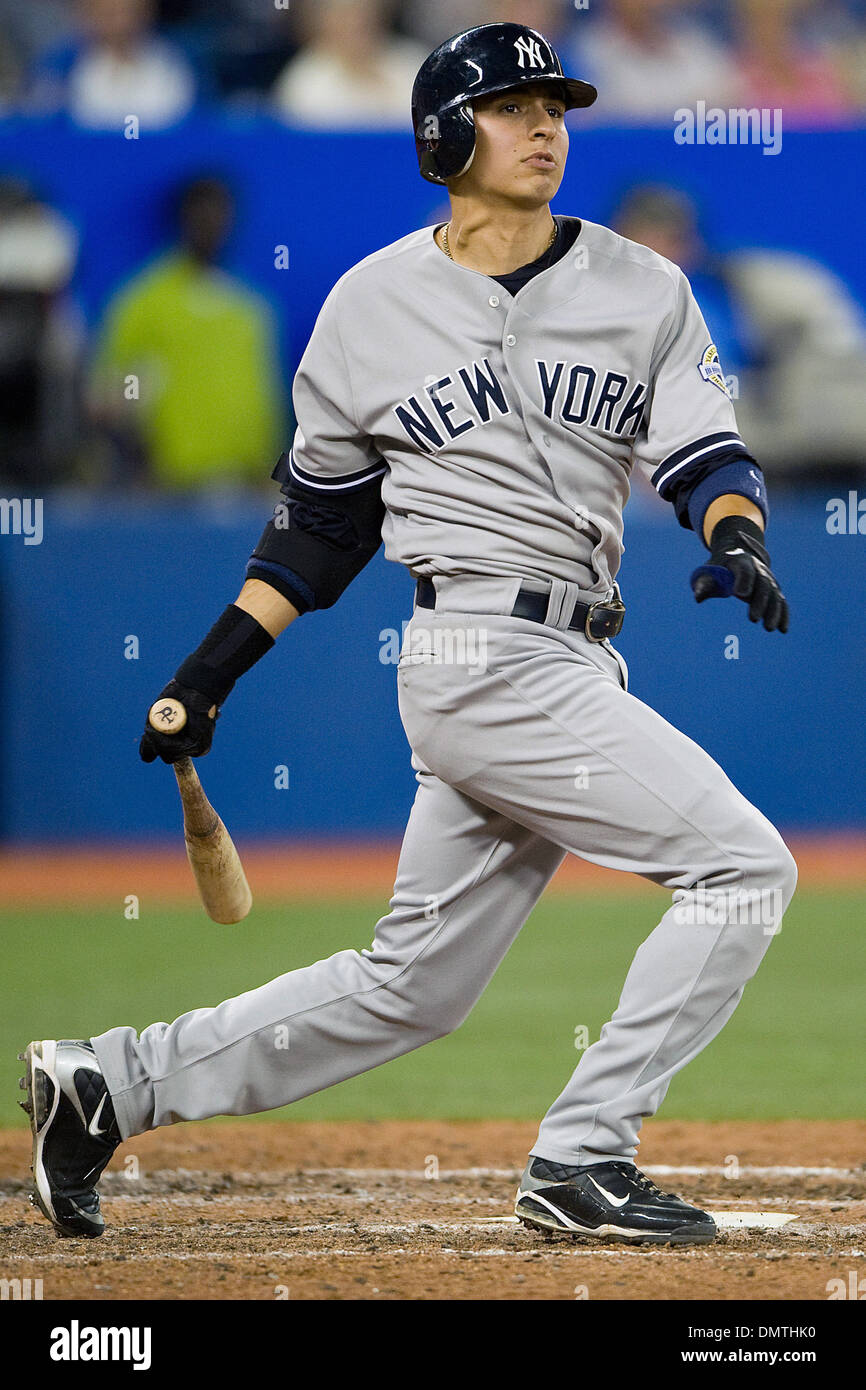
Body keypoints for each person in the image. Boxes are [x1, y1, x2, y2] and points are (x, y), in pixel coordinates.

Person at [20, 21, 797, 1247]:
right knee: (745, 869)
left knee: (411, 988)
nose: (545, 124)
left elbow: (706, 455)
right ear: (442, 134)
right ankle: (584, 1156)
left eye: (556, 103)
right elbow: (316, 534)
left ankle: (108, 1082)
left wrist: (736, 535)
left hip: (571, 651)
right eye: (513, 105)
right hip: (479, 655)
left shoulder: (641, 285)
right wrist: (207, 673)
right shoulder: (368, 306)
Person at [88, 176, 285, 491]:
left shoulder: (250, 308)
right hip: (165, 486)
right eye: (201, 217)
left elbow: (263, 399)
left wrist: (267, 474)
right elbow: (108, 394)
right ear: (182, 221)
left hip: (243, 482)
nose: (211, 229)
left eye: (220, 218)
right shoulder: (142, 301)